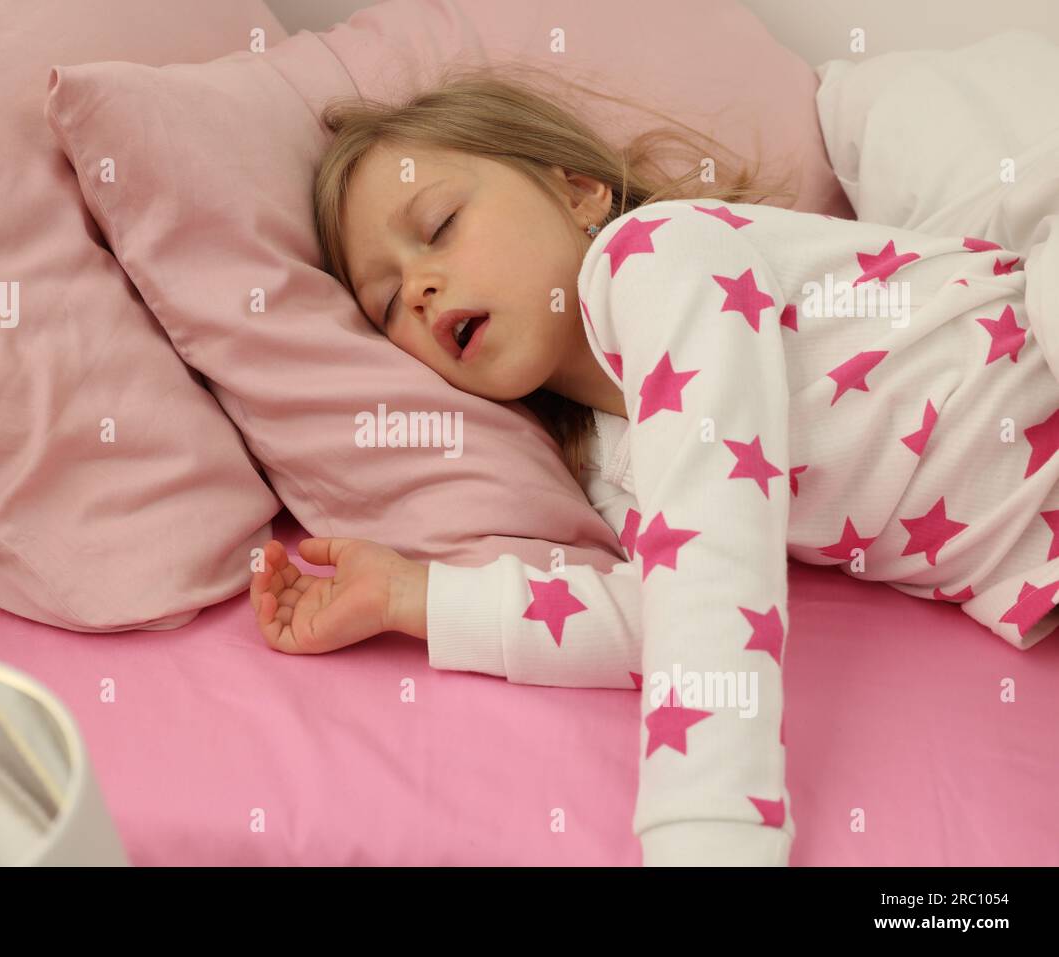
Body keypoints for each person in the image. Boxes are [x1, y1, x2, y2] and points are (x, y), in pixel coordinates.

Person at [250, 65, 1056, 866]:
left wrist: (706, 835)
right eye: (387, 305)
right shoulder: (605, 454)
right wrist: (413, 594)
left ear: (579, 193)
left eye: (439, 224)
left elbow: (715, 556)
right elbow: (667, 615)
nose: (419, 290)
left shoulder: (660, 256)